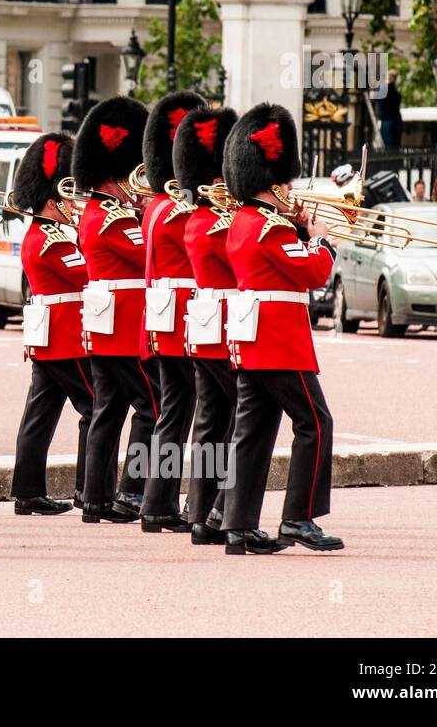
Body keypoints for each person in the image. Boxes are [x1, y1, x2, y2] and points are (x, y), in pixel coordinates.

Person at [221, 103, 342, 555]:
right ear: (272, 183)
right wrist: (322, 238)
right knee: (315, 423)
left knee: (251, 432)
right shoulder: (270, 228)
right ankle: (298, 518)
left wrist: (296, 226)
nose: (290, 189)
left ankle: (239, 526)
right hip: (278, 341)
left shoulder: (245, 222)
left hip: (255, 341)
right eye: (285, 183)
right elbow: (312, 273)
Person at [74, 98, 160, 525]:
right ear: (114, 178)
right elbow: (148, 254)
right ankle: (130, 491)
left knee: (107, 410)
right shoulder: (113, 218)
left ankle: (95, 499)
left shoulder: (98, 212)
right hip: (123, 325)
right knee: (150, 406)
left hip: (105, 323)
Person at [8, 132, 94, 516]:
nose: (73, 205)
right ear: (50, 201)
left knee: (39, 416)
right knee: (96, 408)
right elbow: (87, 275)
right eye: (67, 199)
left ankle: (28, 492)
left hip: (51, 335)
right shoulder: (54, 241)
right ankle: (88, 488)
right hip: (65, 336)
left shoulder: (42, 234)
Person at [172, 106, 240, 544]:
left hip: (206, 327)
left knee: (211, 423)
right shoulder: (215, 224)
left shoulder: (200, 220)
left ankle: (201, 515)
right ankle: (221, 510)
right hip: (224, 328)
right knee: (241, 421)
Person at [137, 91, 205, 533]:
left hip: (165, 318)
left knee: (173, 415)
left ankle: (155, 504)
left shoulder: (156, 206)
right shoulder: (179, 211)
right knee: (199, 415)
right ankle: (187, 504)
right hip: (184, 320)